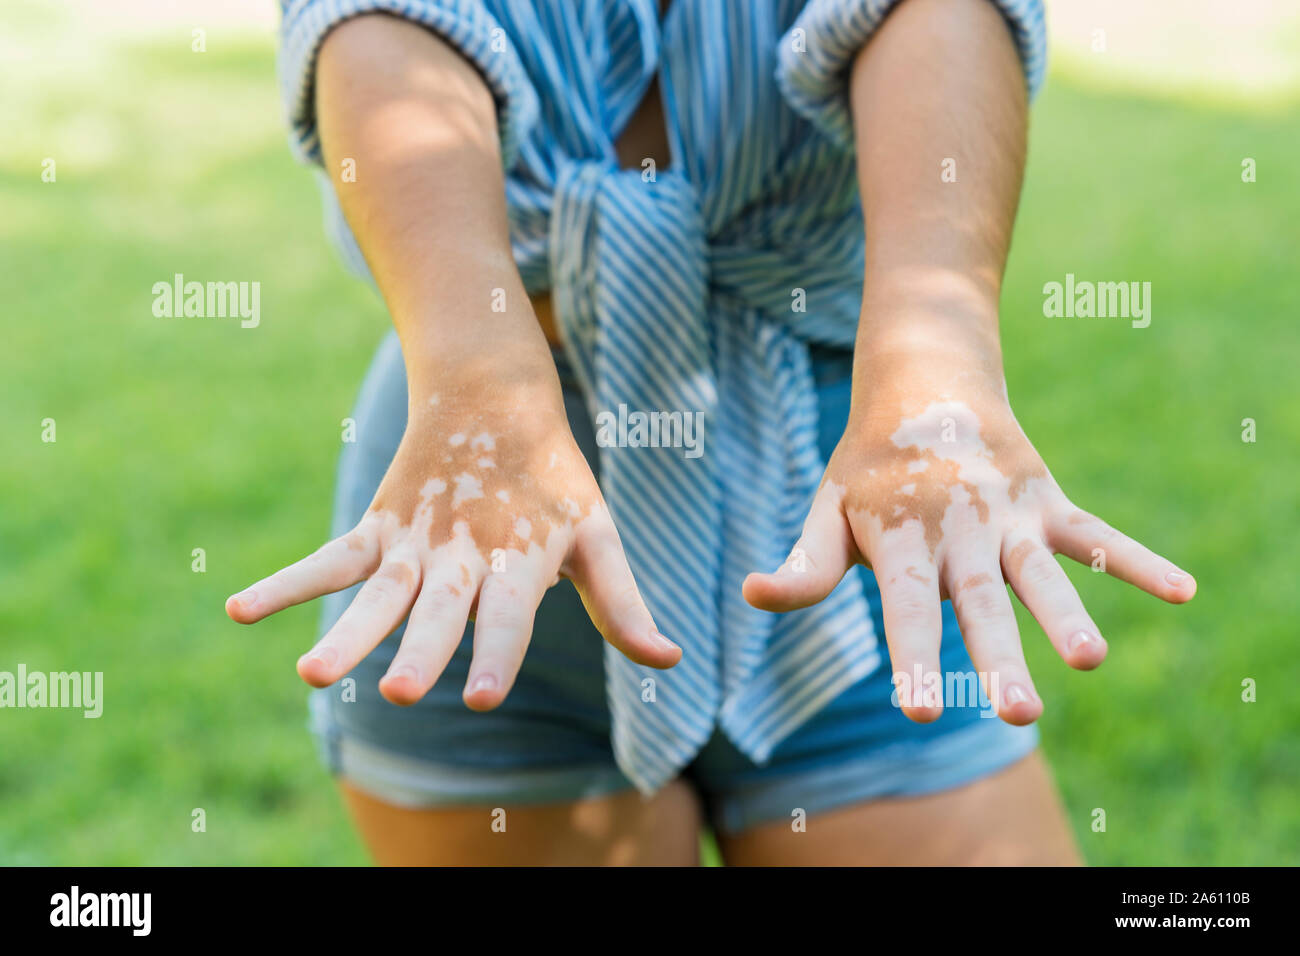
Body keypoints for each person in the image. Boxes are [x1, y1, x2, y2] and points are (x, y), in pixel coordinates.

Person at [228, 0, 1196, 865]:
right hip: (481, 509)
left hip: (870, 507)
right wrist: (478, 379)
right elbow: (383, 16)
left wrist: (933, 359)